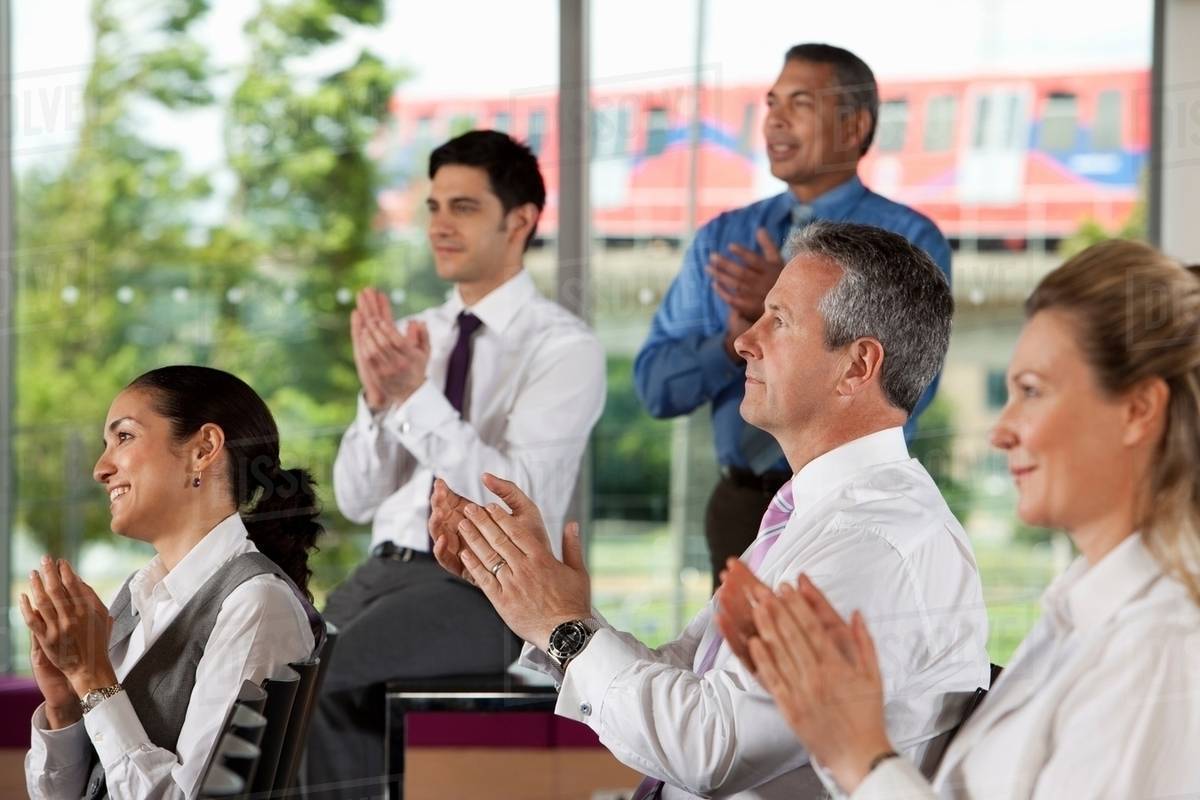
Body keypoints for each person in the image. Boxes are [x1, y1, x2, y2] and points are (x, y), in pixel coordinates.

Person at [432, 222, 989, 798]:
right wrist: (536, 597)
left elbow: (711, 748)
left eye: (779, 320)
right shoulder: (822, 514)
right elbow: (691, 679)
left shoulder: (873, 542)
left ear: (856, 366)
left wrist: (560, 624)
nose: (746, 340)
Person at [721, 239, 1200, 799]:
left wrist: (861, 754)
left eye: (1032, 391)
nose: (1001, 431)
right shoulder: (1081, 610)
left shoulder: (1160, 651)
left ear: (1138, 411)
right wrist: (844, 733)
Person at [308, 129, 606, 795]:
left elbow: (510, 498)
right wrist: (376, 399)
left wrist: (416, 397)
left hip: (483, 593)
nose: (440, 225)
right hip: (380, 572)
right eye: (434, 207)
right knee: (269, 684)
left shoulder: (564, 349)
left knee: (324, 683)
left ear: (520, 220)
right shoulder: (419, 336)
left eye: (464, 207)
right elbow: (356, 498)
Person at [635, 43, 953, 589]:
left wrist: (792, 310)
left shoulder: (910, 240)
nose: (775, 119)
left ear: (854, 127)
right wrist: (729, 339)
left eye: (800, 103)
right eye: (772, 102)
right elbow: (656, 388)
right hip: (741, 508)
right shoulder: (722, 239)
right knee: (721, 667)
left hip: (852, 507)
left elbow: (907, 390)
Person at [22, 365, 323, 800]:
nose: (99, 468)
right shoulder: (137, 594)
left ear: (203, 449)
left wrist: (91, 676)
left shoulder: (256, 605)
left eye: (123, 437)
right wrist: (65, 703)